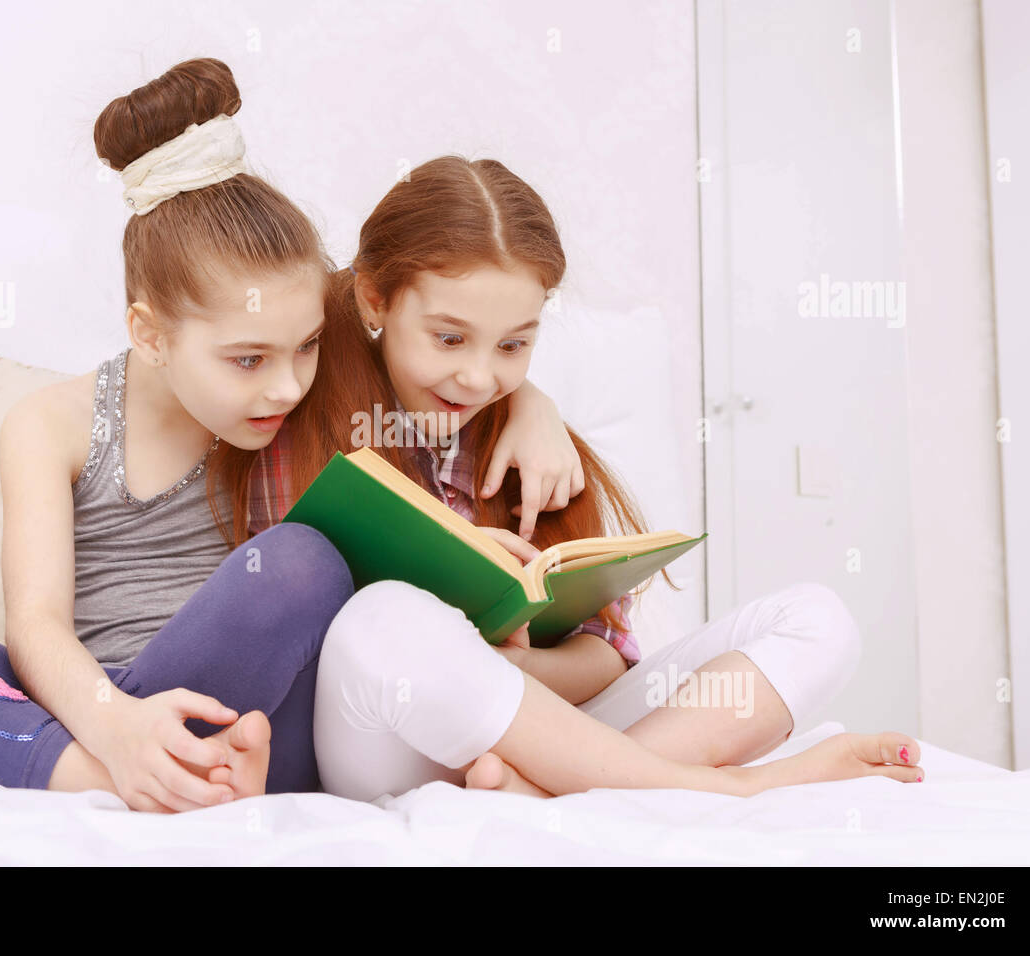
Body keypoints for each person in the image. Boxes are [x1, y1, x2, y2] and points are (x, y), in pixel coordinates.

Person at [0, 60, 585, 814]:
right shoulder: (51, 423)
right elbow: (36, 628)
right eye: (247, 358)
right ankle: (98, 776)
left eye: (306, 347)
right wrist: (115, 726)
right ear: (150, 333)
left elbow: (436, 333)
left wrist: (530, 402)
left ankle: (157, 772)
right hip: (84, 700)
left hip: (253, 709)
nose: (288, 383)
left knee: (301, 566)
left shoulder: (297, 400)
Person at [243, 155, 927, 800]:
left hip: (535, 741)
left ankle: (550, 795)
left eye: (514, 345)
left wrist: (517, 668)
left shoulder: (534, 451)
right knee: (384, 616)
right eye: (449, 338)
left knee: (818, 620)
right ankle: (725, 790)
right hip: (382, 740)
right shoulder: (298, 399)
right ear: (374, 300)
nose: (480, 377)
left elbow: (609, 654)